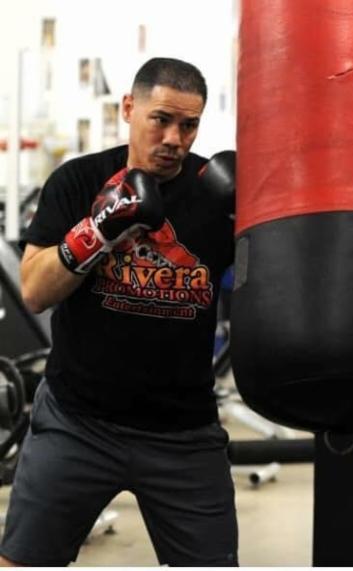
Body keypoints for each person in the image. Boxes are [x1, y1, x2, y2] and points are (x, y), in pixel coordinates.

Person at [0, 57, 238, 566]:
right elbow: (36, 292)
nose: (175, 137)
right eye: (161, 119)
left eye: (189, 124)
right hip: (77, 423)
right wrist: (97, 232)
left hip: (184, 434)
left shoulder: (215, 193)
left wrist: (262, 215)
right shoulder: (78, 180)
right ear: (130, 108)